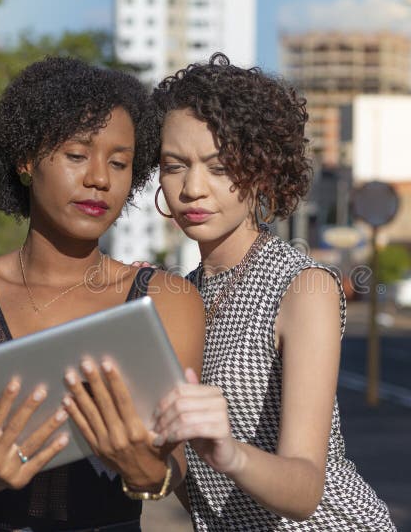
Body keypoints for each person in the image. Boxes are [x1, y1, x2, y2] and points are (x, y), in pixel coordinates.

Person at [0, 56, 204, 532]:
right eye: (75, 155)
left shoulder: (169, 301)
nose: (99, 179)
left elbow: (171, 472)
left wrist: (144, 469)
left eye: (120, 162)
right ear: (25, 159)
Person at [149, 53, 396, 531]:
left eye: (219, 167)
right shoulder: (178, 299)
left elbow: (305, 489)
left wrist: (228, 451)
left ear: (261, 172)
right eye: (174, 165)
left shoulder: (302, 287)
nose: (192, 188)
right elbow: (184, 480)